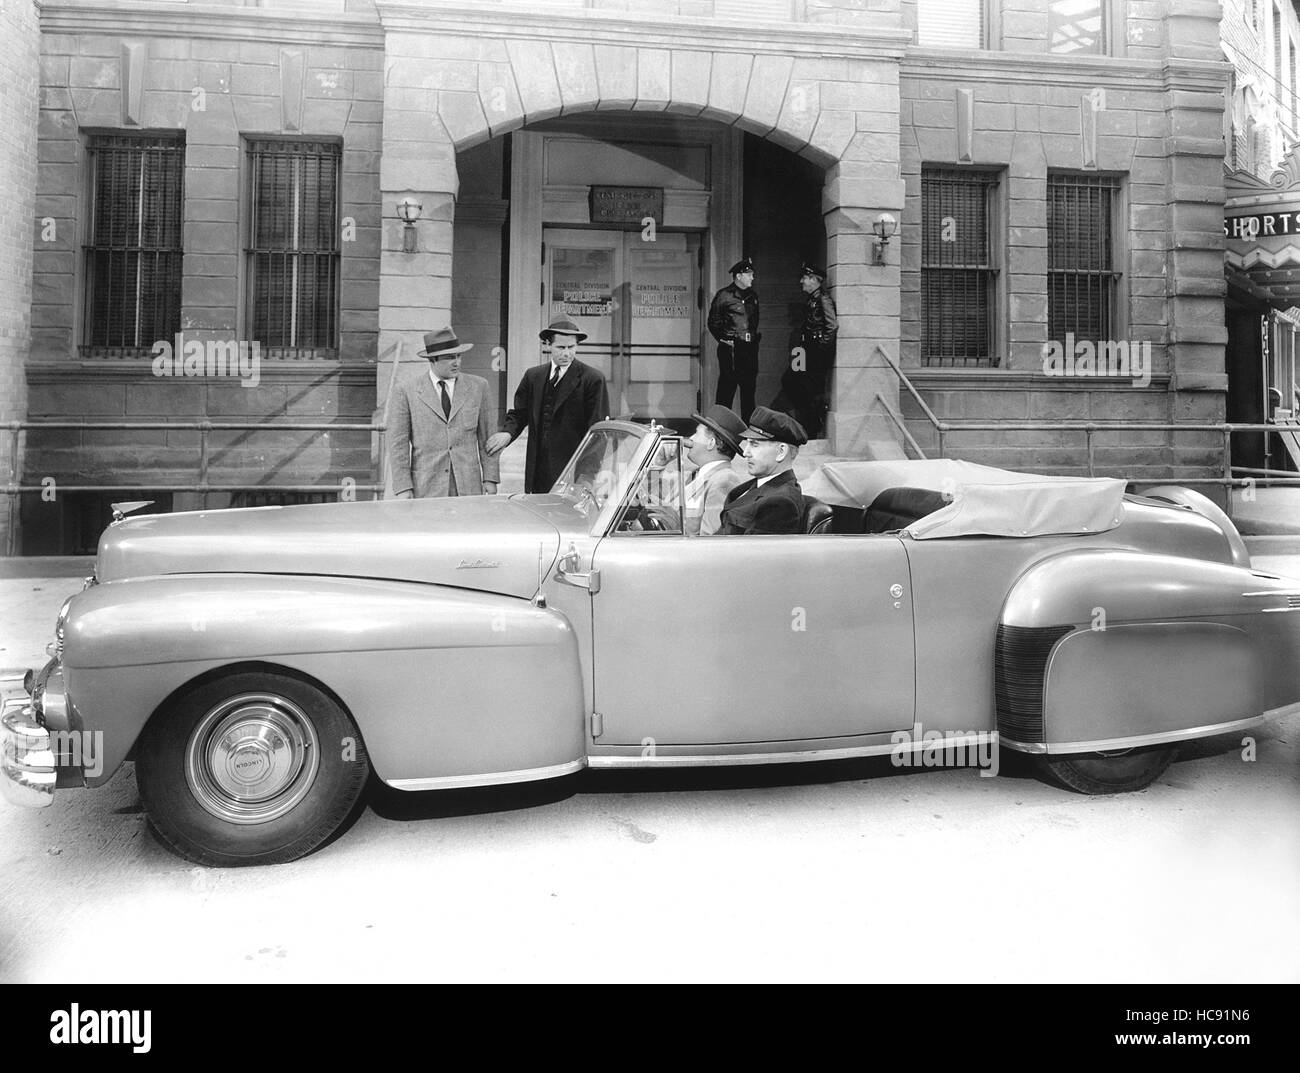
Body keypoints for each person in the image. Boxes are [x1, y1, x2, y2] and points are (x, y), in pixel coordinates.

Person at [486, 317, 611, 493]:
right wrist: (507, 433)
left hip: (572, 470)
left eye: (571, 347)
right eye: (561, 347)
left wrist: (587, 475)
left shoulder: (593, 379)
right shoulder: (533, 376)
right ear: (548, 345)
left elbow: (598, 432)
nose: (566, 353)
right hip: (538, 470)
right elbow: (520, 413)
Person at [389, 327, 499, 499]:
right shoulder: (406, 391)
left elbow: (488, 438)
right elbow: (398, 446)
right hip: (426, 486)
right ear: (432, 360)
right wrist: (403, 487)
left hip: (468, 486)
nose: (456, 363)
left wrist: (490, 478)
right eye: (449, 358)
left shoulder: (479, 387)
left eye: (458, 356)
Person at [717, 406, 808, 536]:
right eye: (747, 444)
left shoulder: (781, 504)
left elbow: (752, 554)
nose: (745, 452)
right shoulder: (754, 487)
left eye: (754, 444)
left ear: (781, 451)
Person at [707, 257, 760, 422]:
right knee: (726, 389)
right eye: (749, 274)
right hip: (731, 348)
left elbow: (754, 321)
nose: (752, 278)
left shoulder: (752, 296)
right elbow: (713, 322)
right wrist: (724, 338)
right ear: (739, 276)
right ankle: (719, 428)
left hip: (749, 348)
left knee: (749, 390)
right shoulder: (724, 295)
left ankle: (749, 432)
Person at [682, 405, 746, 536]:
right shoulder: (696, 473)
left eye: (696, 433)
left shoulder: (724, 479)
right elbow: (655, 504)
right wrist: (659, 464)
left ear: (711, 443)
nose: (691, 438)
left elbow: (711, 538)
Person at [796, 263, 837, 438]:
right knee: (796, 381)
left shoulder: (823, 299)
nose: (801, 281)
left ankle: (813, 429)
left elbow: (832, 326)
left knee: (815, 391)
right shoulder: (811, 299)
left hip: (816, 353)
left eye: (805, 278)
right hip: (804, 351)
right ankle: (806, 424)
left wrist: (822, 349)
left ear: (814, 280)